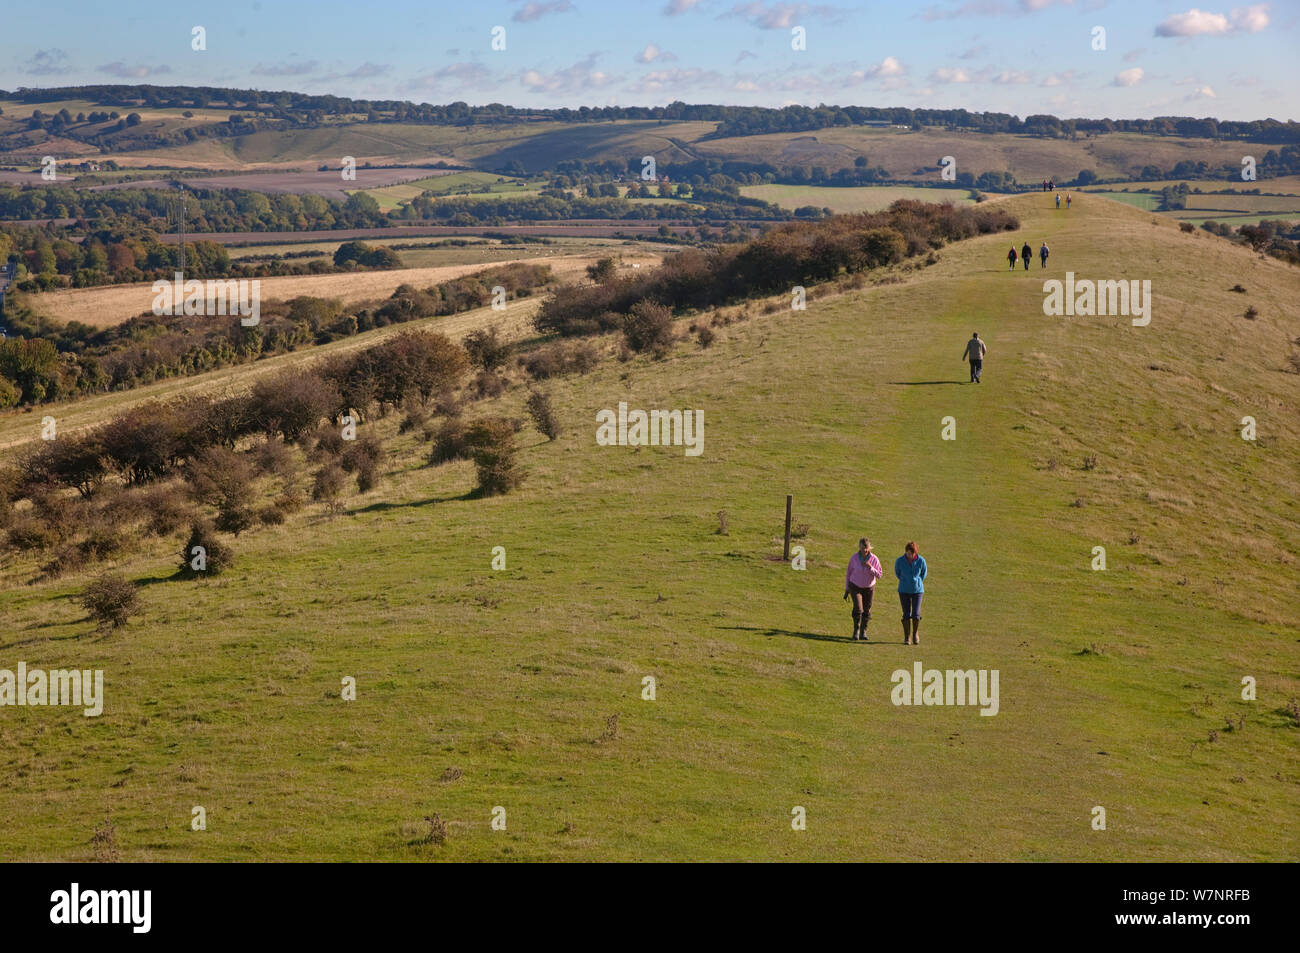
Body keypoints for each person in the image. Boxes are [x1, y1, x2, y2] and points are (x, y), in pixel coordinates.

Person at [843, 537, 883, 641]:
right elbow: (849, 573)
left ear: (869, 548)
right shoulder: (854, 558)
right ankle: (856, 630)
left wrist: (870, 567)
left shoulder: (874, 559)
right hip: (855, 586)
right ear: (859, 547)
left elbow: (879, 575)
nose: (864, 550)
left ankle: (863, 631)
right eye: (862, 548)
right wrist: (847, 588)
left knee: (866, 609)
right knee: (858, 608)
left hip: (869, 588)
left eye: (866, 548)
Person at [894, 542, 927, 644]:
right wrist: (905, 581)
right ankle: (907, 637)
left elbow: (923, 574)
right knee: (906, 614)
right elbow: (897, 573)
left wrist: (917, 582)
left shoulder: (921, 561)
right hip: (904, 591)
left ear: (915, 553)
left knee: (916, 614)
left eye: (911, 553)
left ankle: (915, 634)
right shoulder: (900, 561)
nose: (909, 555)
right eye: (907, 553)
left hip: (917, 591)